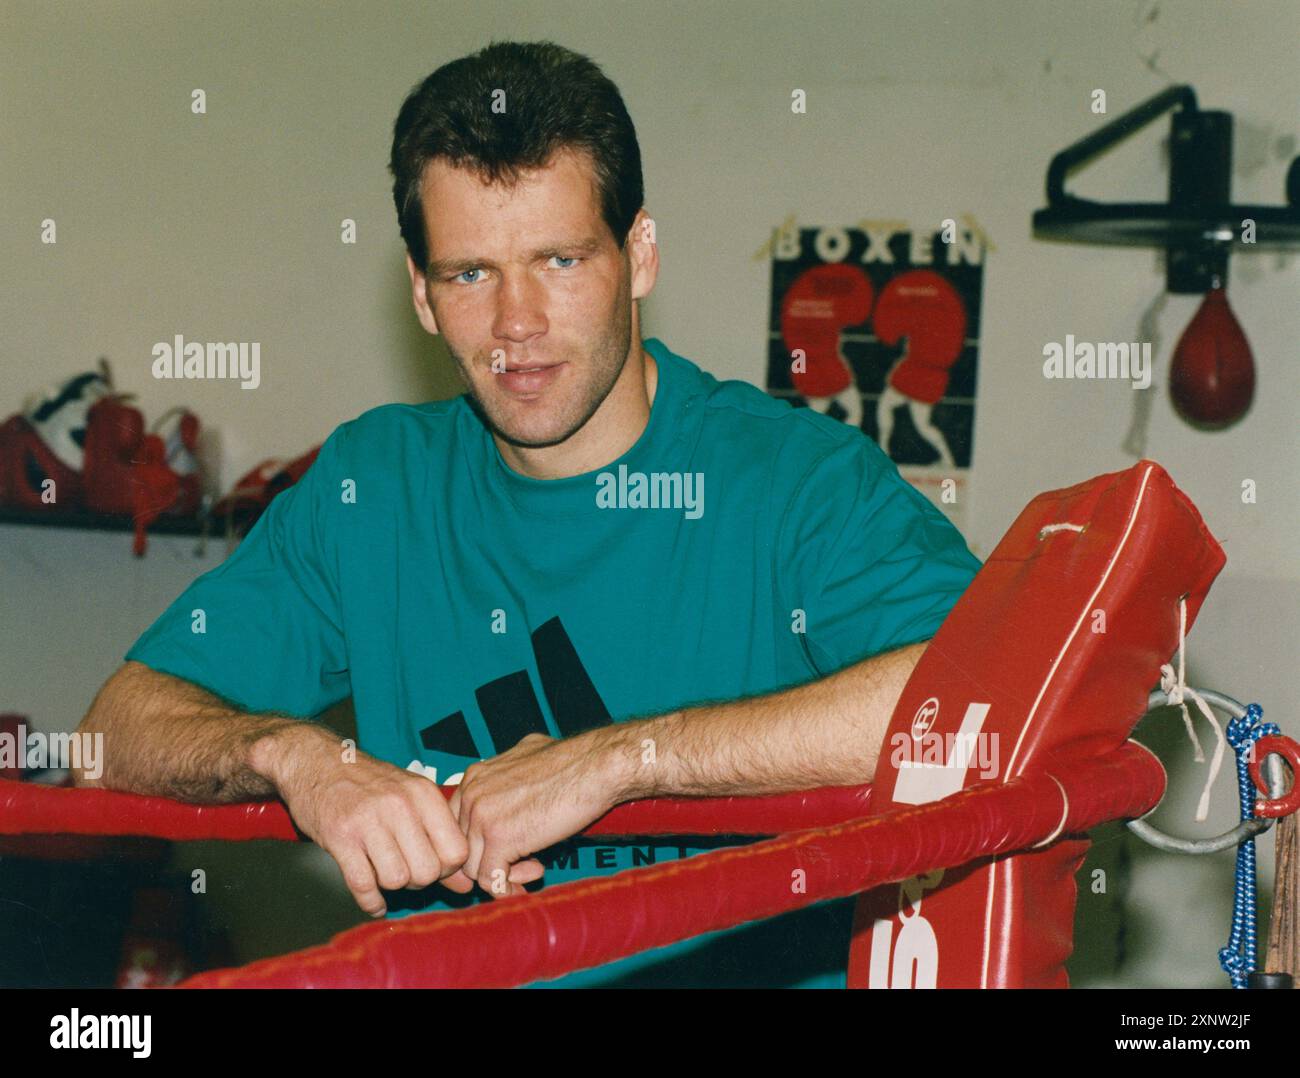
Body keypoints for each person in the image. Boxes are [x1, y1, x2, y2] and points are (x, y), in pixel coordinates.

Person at [74, 39, 980, 988]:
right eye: (471, 273)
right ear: (421, 294)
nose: (517, 321)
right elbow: (112, 734)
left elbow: (981, 702)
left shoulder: (795, 481)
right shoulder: (373, 489)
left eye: (559, 259)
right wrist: (298, 758)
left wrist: (623, 762)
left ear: (638, 257)